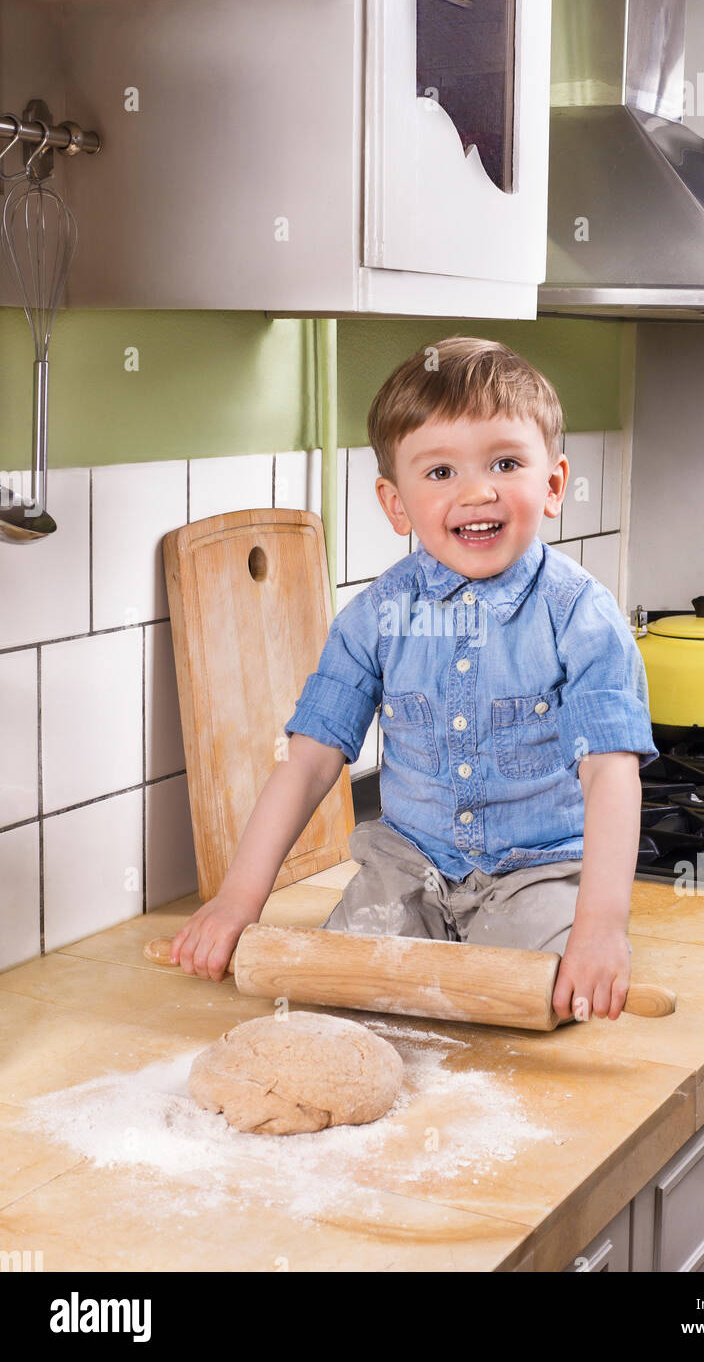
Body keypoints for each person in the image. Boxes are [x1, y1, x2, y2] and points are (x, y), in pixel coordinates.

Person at [170, 336, 658, 1022]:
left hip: (539, 874)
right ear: (395, 504)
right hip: (406, 870)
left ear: (552, 485)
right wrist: (237, 901)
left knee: (522, 1006)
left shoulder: (581, 617)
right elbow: (309, 763)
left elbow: (611, 775)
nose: (477, 491)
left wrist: (600, 929)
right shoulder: (373, 617)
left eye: (506, 463)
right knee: (338, 1001)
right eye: (440, 473)